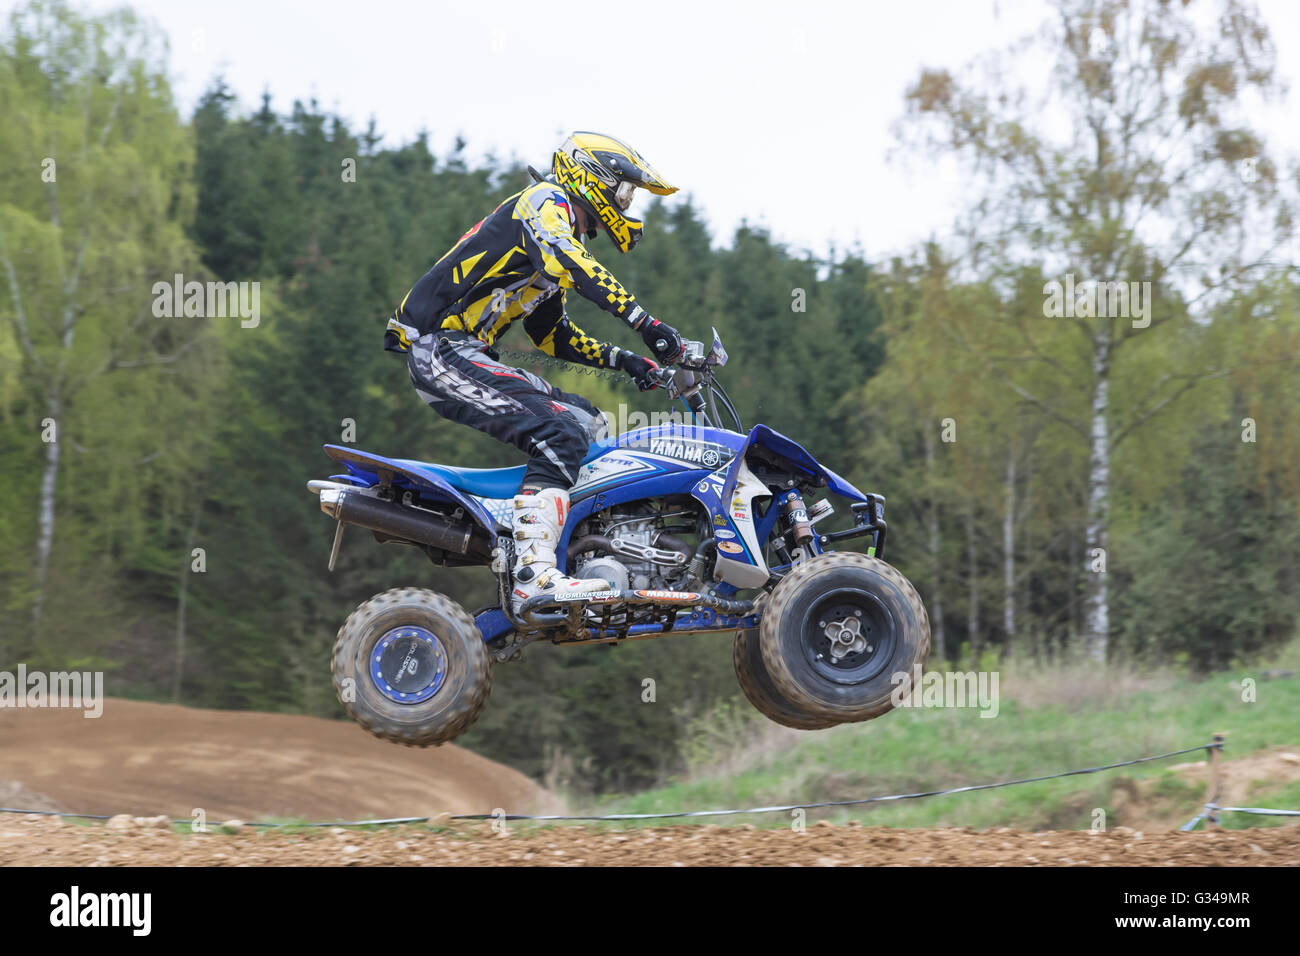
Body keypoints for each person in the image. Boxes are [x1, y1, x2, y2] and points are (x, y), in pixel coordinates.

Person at [384, 132, 686, 610]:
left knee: (587, 423)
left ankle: (579, 555)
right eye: (624, 189)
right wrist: (646, 325)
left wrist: (626, 361)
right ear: (594, 179)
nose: (626, 202)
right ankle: (532, 574)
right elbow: (577, 264)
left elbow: (553, 335)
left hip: (464, 353)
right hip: (438, 348)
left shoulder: (552, 232)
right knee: (559, 433)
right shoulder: (545, 203)